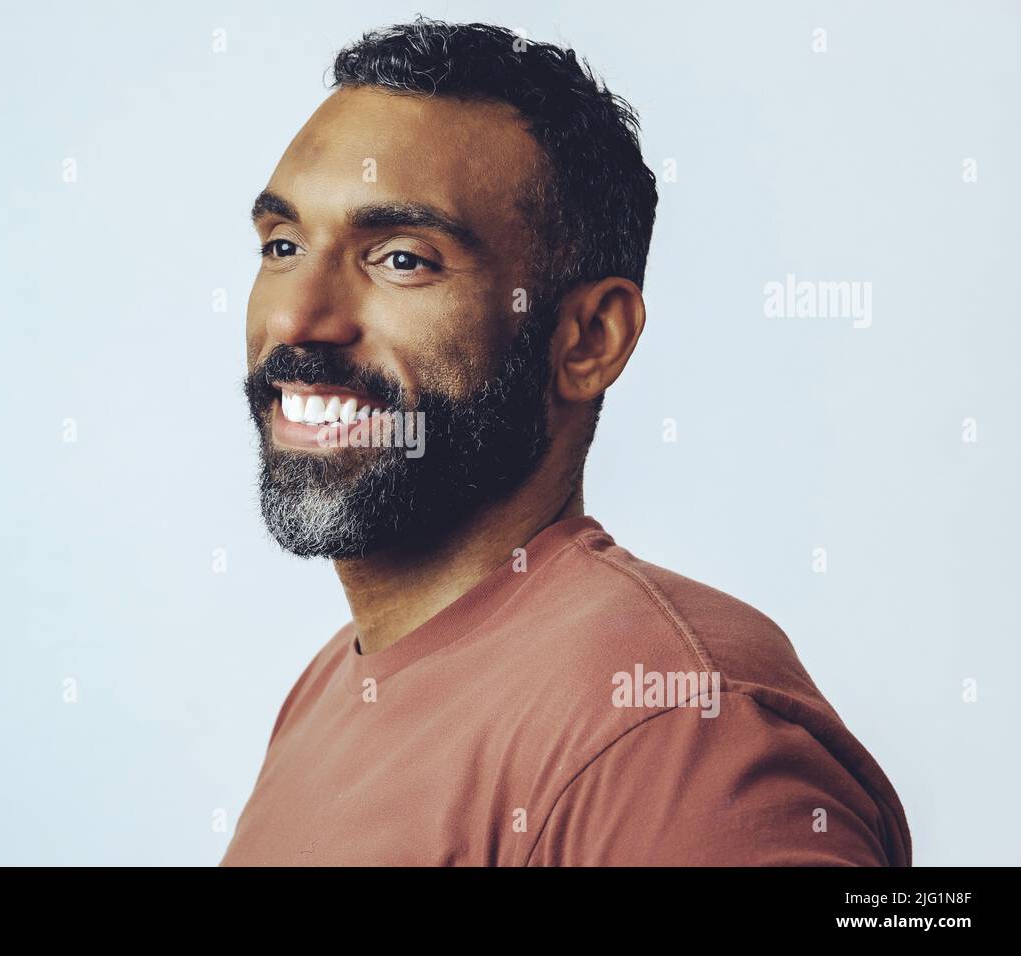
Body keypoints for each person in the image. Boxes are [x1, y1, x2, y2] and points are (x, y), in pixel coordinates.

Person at [225, 17, 910, 866]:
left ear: (588, 338)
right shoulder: (333, 686)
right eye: (283, 246)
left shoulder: (677, 733)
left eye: (403, 258)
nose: (298, 319)